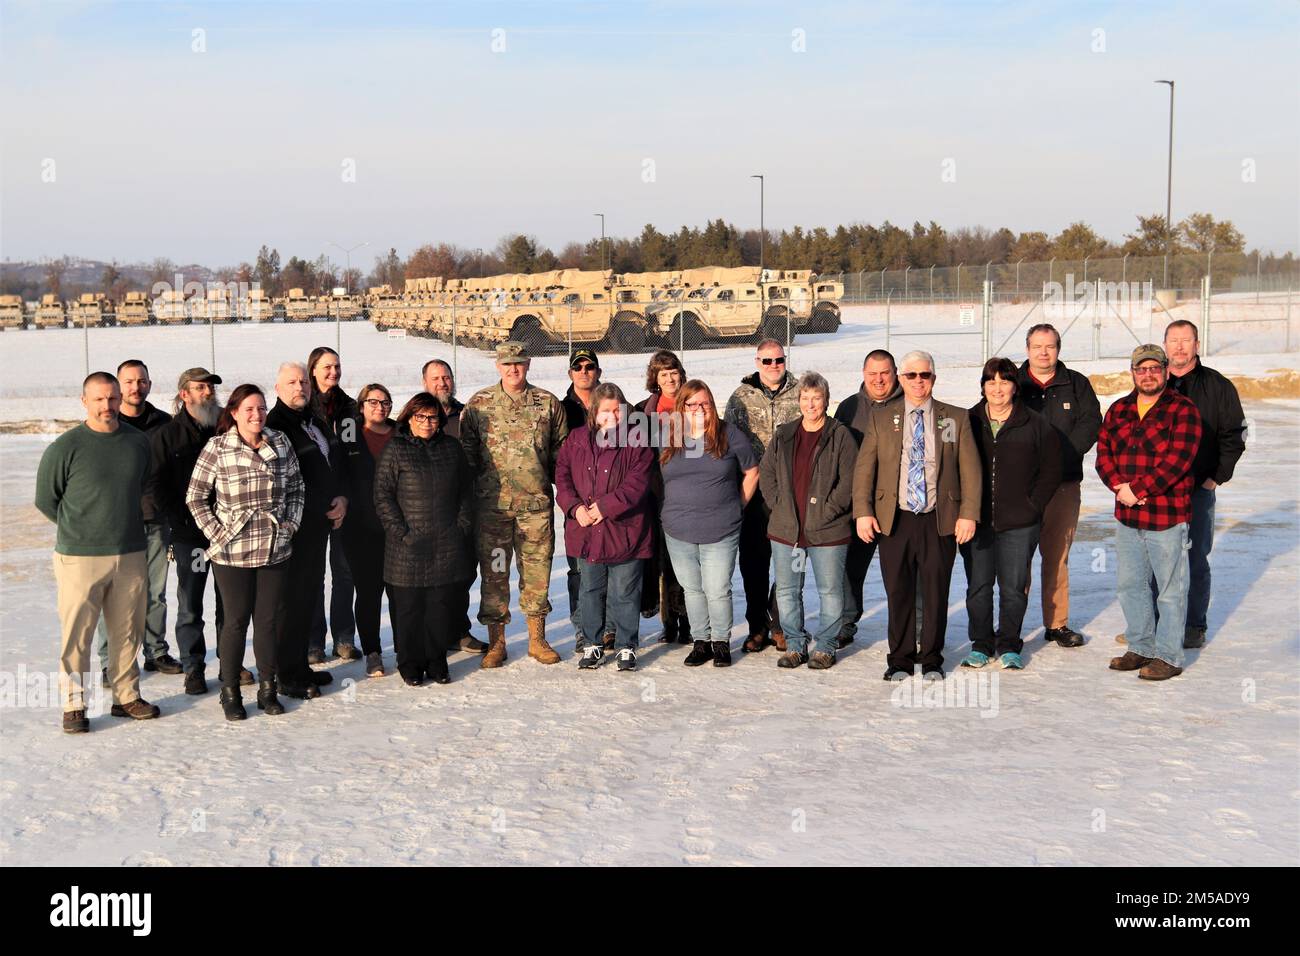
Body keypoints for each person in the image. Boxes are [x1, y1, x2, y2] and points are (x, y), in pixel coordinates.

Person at [36, 372, 160, 733]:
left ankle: (126, 697)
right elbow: (46, 499)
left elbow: (139, 484)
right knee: (78, 636)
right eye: (99, 399)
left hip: (130, 552)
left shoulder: (137, 443)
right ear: (84, 401)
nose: (107, 406)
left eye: (112, 398)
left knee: (127, 632)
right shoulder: (65, 447)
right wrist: (82, 529)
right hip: (80, 557)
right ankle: (74, 705)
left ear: (120, 399)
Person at [853, 350, 981, 681]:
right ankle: (900, 659)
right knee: (898, 591)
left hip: (940, 518)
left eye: (925, 375)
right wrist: (863, 512)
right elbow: (865, 469)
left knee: (936, 591)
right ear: (901, 379)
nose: (918, 381)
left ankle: (932, 658)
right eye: (911, 375)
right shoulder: (883, 419)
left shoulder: (954, 418)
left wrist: (968, 513)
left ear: (934, 379)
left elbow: (970, 470)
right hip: (895, 518)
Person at [187, 385, 305, 719]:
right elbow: (195, 496)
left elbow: (297, 488)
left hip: (273, 545)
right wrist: (217, 532)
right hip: (232, 550)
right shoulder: (219, 447)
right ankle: (230, 691)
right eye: (250, 409)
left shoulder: (279, 442)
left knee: (268, 621)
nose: (257, 415)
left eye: (262, 408)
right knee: (236, 622)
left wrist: (289, 526)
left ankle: (268, 687)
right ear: (235, 413)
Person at [459, 341, 569, 667]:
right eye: (507, 364)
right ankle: (497, 642)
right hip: (493, 511)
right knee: (495, 573)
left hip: (535, 509)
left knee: (537, 573)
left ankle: (537, 638)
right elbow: (467, 458)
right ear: (497, 366)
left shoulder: (547, 404)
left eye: (518, 363)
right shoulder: (478, 405)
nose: (513, 369)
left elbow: (560, 457)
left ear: (528, 363)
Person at [1097, 344, 1202, 681]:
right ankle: (1140, 646)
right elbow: (1103, 455)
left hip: (1167, 517)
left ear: (1165, 371)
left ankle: (1169, 655)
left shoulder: (1183, 410)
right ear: (1133, 373)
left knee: (1171, 590)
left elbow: (1178, 462)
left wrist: (1137, 489)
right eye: (1141, 369)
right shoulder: (1119, 409)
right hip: (1127, 516)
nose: (1148, 375)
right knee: (1131, 585)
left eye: (1154, 368)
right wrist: (1119, 487)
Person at [960, 358, 1062, 670]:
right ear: (983, 386)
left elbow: (1052, 468)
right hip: (977, 521)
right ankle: (981, 643)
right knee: (978, 587)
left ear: (1015, 387)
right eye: (991, 382)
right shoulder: (969, 421)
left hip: (1020, 521)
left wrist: (1034, 504)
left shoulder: (1033, 423)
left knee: (1013, 587)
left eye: (1004, 382)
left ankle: (1008, 644)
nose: (997, 388)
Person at [144, 367, 235, 695]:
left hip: (228, 534)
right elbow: (156, 484)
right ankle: (194, 666)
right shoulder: (168, 436)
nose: (208, 393)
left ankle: (230, 663)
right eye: (200, 388)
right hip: (190, 536)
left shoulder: (227, 426)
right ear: (185, 395)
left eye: (210, 387)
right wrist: (177, 521)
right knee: (191, 602)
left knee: (230, 602)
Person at [373, 392, 474, 686]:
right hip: (407, 546)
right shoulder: (396, 449)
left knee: (439, 608)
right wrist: (401, 533)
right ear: (410, 417)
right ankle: (410, 662)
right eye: (421, 417)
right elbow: (382, 496)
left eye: (432, 417)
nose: (427, 423)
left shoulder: (451, 449)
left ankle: (437, 660)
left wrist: (461, 526)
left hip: (445, 542)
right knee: (409, 610)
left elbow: (465, 492)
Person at [760, 372, 858, 670]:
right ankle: (795, 645)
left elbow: (849, 482)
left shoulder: (840, 435)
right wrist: (780, 506)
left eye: (817, 398)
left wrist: (827, 511)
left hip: (827, 532)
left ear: (826, 401)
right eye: (805, 398)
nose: (811, 404)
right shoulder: (785, 434)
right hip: (788, 531)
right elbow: (767, 474)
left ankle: (826, 646)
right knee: (788, 590)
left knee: (830, 590)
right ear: (799, 401)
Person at [661, 379, 760, 667]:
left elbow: (752, 471)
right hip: (678, 530)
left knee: (717, 588)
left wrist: (736, 505)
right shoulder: (670, 437)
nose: (699, 409)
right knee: (692, 589)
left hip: (721, 528)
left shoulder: (729, 435)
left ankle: (720, 642)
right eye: (691, 404)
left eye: (704, 403)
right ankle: (700, 641)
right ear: (682, 408)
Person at [556, 382, 654, 672]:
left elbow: (637, 484)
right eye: (605, 411)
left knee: (625, 591)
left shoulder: (637, 441)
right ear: (594, 413)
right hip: (586, 529)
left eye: (617, 410)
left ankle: (626, 646)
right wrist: (574, 508)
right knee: (590, 590)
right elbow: (562, 477)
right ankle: (593, 644)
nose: (612, 416)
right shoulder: (575, 440)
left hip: (625, 530)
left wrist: (605, 507)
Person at [266, 361, 348, 698]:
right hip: (295, 526)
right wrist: (322, 507)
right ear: (278, 389)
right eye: (291, 383)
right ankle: (286, 673)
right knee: (290, 601)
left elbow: (333, 463)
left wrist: (341, 498)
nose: (299, 388)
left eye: (303, 382)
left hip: (320, 523)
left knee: (307, 597)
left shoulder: (314, 421)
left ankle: (300, 664)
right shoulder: (276, 425)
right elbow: (287, 481)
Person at [95, 359, 181, 682]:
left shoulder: (163, 422)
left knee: (155, 591)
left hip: (155, 519)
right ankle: (110, 660)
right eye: (129, 381)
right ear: (118, 387)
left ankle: (155, 651)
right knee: (114, 594)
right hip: (115, 524)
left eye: (141, 380)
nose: (136, 387)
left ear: (149, 383)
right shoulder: (106, 423)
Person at [1016, 324, 1101, 648]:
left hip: (1063, 485)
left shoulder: (1075, 383)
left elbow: (1091, 421)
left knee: (1056, 556)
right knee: (1017, 558)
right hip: (1021, 488)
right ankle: (1012, 625)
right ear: (1027, 349)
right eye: (1037, 346)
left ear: (1058, 349)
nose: (1043, 352)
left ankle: (1057, 624)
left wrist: (1061, 455)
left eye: (1049, 346)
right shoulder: (1014, 383)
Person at [1163, 319, 1247, 648]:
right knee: (1156, 561)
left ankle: (1193, 625)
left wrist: (1217, 477)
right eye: (1173, 340)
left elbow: (1235, 434)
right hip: (1158, 491)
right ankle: (1152, 623)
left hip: (1198, 488)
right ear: (1165, 345)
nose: (1179, 347)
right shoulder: (1155, 382)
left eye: (1186, 340)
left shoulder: (1217, 386)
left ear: (1197, 345)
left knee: (1194, 558)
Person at [725, 338, 800, 653]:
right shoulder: (741, 398)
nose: (773, 367)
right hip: (754, 492)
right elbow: (728, 444)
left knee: (791, 563)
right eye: (767, 361)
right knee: (754, 565)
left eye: (778, 360)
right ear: (757, 362)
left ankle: (780, 623)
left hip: (789, 491)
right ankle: (756, 626)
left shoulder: (801, 393)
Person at [832, 348, 903, 648]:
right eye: (872, 373)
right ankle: (847, 621)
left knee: (902, 569)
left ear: (895, 373)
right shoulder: (849, 408)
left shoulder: (909, 403)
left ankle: (912, 626)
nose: (878, 379)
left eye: (884, 373)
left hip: (898, 503)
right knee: (851, 567)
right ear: (863, 374)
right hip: (858, 504)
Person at [422, 357, 484, 653]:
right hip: (429, 512)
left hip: (465, 509)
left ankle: (459, 631)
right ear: (425, 383)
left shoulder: (466, 415)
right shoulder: (416, 417)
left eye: (446, 377)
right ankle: (432, 634)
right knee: (432, 577)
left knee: (463, 573)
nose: (442, 383)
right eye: (435, 378)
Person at [340, 383, 396, 677]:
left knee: (400, 590)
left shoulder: (400, 432)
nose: (380, 407)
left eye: (385, 402)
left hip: (397, 525)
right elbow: (340, 472)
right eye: (373, 402)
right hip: (360, 527)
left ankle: (406, 646)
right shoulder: (351, 435)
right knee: (369, 591)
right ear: (361, 406)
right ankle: (373, 651)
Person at [306, 346, 359, 662]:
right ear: (313, 369)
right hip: (312, 504)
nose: (333, 373)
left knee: (344, 573)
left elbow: (351, 454)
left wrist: (344, 498)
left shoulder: (349, 408)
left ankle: (343, 637)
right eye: (327, 367)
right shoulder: (301, 407)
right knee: (313, 576)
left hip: (342, 503)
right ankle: (314, 641)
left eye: (337, 367)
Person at [561, 347, 612, 652]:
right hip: (577, 505)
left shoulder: (614, 405)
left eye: (589, 366)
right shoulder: (560, 409)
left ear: (598, 372)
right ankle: (583, 628)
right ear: (571, 373)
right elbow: (558, 458)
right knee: (579, 569)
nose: (584, 371)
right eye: (578, 367)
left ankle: (606, 627)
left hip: (608, 503)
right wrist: (571, 502)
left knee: (608, 565)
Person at [637, 349, 690, 644]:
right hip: (655, 496)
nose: (670, 379)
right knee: (660, 561)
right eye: (663, 374)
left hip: (687, 496)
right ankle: (668, 622)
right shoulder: (643, 410)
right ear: (655, 379)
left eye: (674, 373)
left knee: (683, 561)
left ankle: (688, 622)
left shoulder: (695, 403)